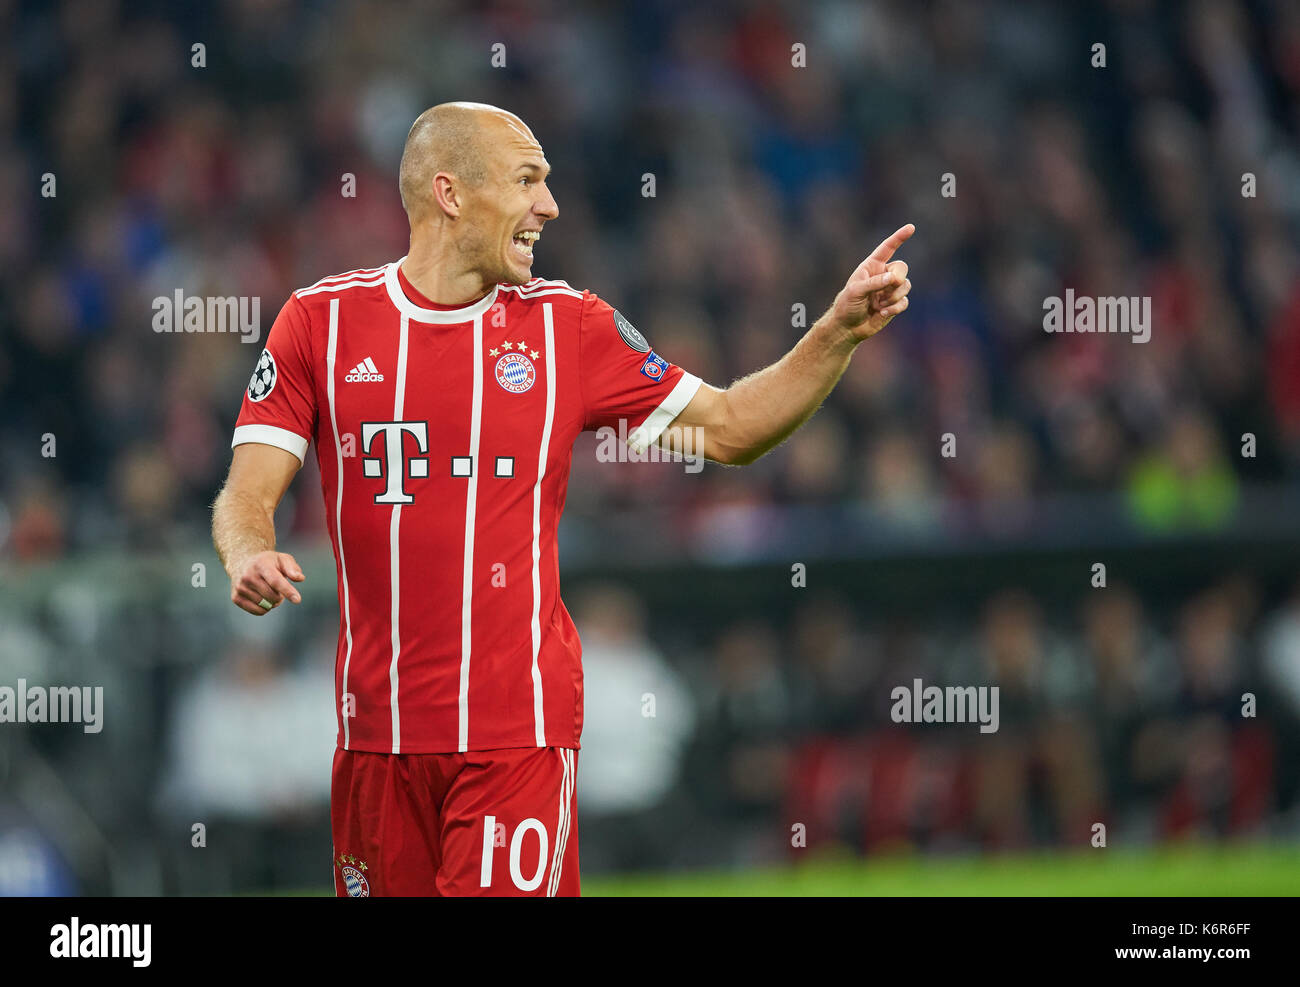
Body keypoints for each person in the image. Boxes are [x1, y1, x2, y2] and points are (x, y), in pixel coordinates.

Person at [210, 101, 914, 896]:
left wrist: (836, 333)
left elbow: (730, 428)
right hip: (377, 741)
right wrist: (248, 552)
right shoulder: (320, 324)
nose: (550, 206)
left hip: (517, 735)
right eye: (527, 181)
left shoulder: (568, 328)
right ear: (451, 193)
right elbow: (247, 490)